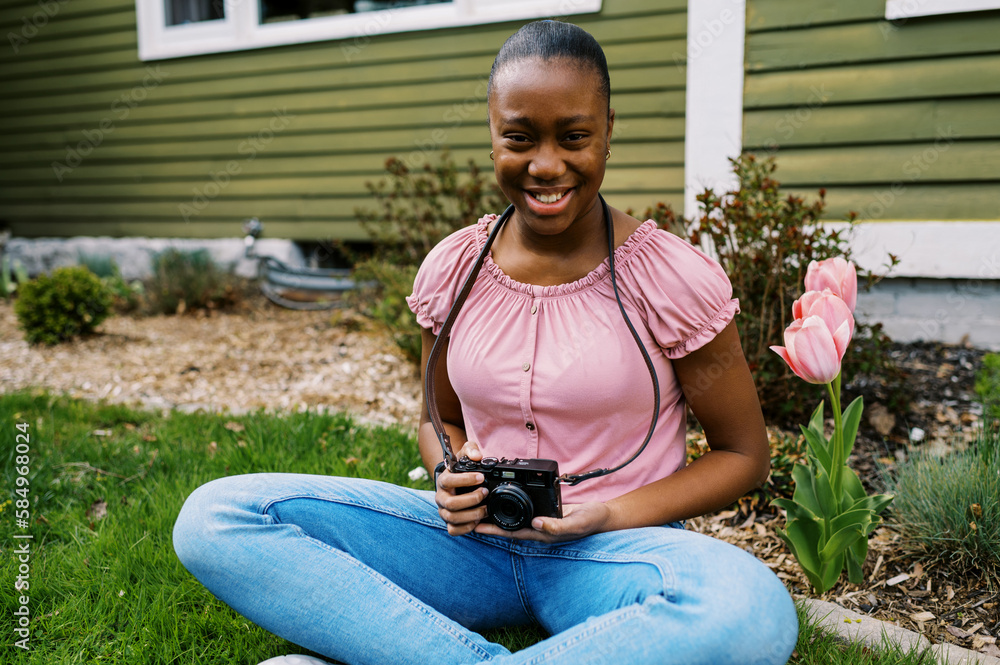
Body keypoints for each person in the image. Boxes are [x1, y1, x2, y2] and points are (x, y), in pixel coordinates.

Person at [172, 20, 799, 665]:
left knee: (748, 612)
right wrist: (448, 472)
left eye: (574, 137)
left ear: (609, 130)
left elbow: (743, 456)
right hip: (468, 545)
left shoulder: (671, 277)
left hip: (613, 553)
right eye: (520, 138)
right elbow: (437, 417)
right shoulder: (453, 268)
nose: (546, 164)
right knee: (218, 517)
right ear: (493, 135)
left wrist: (607, 515)